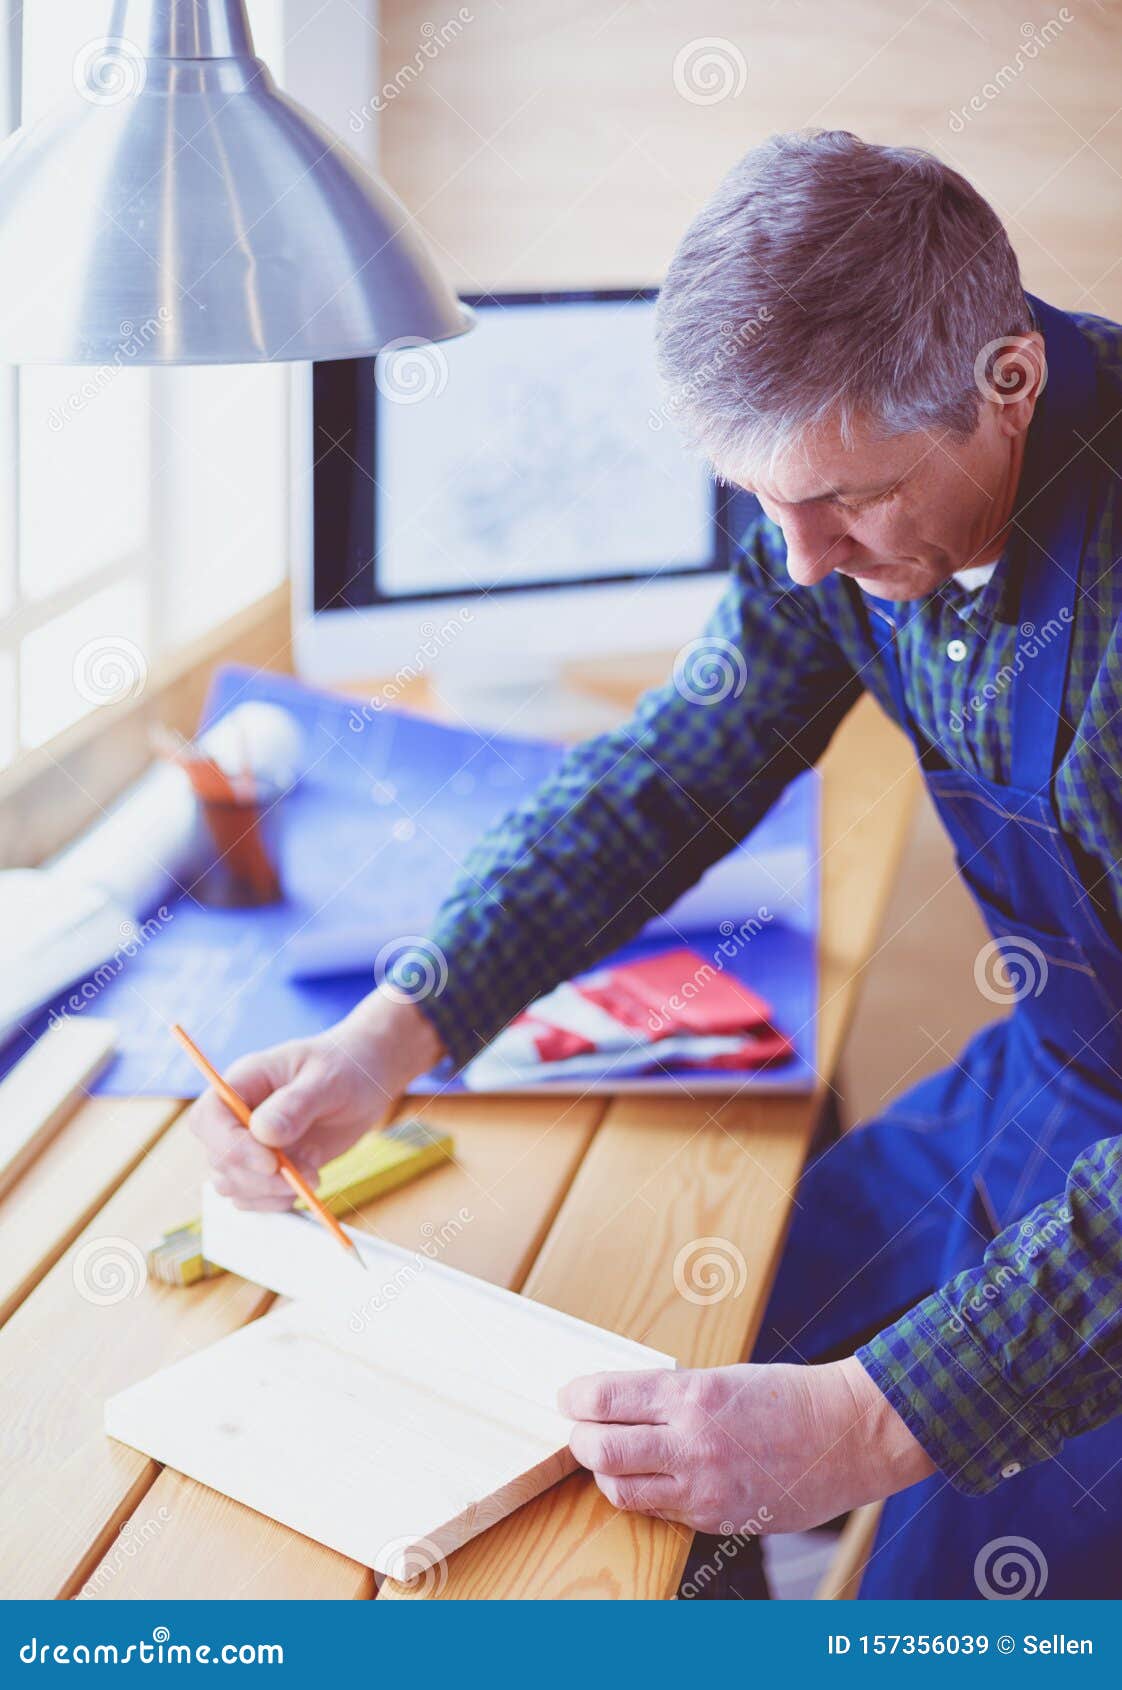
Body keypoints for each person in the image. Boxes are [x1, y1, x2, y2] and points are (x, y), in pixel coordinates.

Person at [190, 131, 1122, 1600]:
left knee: (942, 1589)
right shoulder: (822, 510)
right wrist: (393, 1033)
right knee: (684, 1376)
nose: (802, 559)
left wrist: (879, 1419)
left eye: (848, 500)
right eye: (764, 500)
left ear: (1006, 382)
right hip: (1061, 1074)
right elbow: (668, 776)